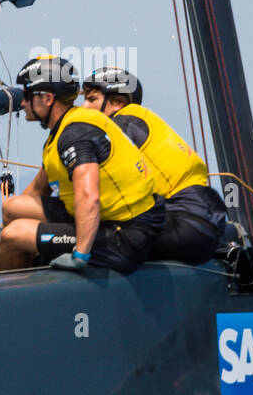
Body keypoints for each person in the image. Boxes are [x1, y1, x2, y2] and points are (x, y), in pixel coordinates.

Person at [0, 55, 166, 274]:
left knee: (13, 235)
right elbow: (38, 189)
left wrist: (80, 254)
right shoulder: (68, 125)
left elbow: (89, 197)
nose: (22, 103)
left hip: (123, 236)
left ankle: (6, 299)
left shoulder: (75, 135)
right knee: (12, 208)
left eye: (27, 95)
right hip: (108, 219)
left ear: (47, 99)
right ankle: (10, 264)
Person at [82, 66, 227, 264]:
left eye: (91, 100)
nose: (83, 107)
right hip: (200, 215)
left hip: (183, 216)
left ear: (117, 102)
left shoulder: (125, 120)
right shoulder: (142, 120)